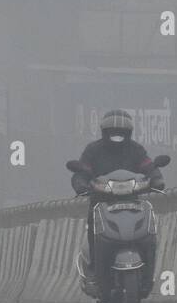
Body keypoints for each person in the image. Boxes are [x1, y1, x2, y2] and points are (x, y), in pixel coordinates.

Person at [69, 109, 164, 291]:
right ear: (104, 132)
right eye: (113, 132)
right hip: (101, 201)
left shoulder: (136, 150)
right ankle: (95, 270)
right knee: (93, 227)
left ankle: (148, 272)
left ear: (129, 133)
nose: (117, 137)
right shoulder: (93, 150)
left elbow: (149, 167)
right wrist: (81, 184)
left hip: (134, 201)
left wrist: (157, 179)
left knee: (150, 235)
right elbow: (82, 172)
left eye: (121, 133)